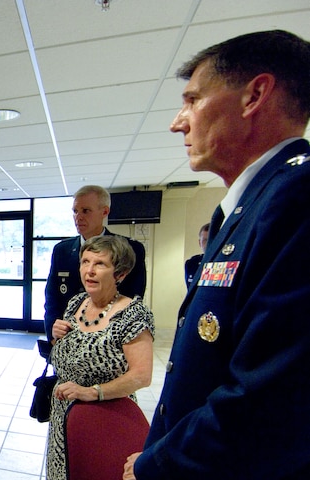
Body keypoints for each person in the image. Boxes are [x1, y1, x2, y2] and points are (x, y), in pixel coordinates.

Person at [123, 30, 310, 480]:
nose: (178, 122)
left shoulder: (297, 196)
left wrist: (158, 463)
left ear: (254, 96)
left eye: (192, 100)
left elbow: (270, 393)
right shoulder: (251, 205)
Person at [47, 235, 154, 480]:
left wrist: (92, 392)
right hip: (63, 415)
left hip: (105, 417)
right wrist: (56, 335)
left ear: (120, 273)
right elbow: (66, 352)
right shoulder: (76, 303)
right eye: (85, 262)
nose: (90, 271)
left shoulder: (133, 315)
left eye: (100, 264)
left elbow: (141, 376)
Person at [44, 185, 147, 342]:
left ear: (104, 212)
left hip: (107, 337)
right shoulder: (62, 250)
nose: (78, 217)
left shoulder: (130, 249)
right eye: (75, 211)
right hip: (66, 337)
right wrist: (52, 332)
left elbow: (133, 295)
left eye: (86, 211)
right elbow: (52, 298)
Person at [183, 223, 209, 287]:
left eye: (212, 239)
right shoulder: (192, 263)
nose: (208, 244)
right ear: (200, 243)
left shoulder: (226, 263)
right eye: (205, 240)